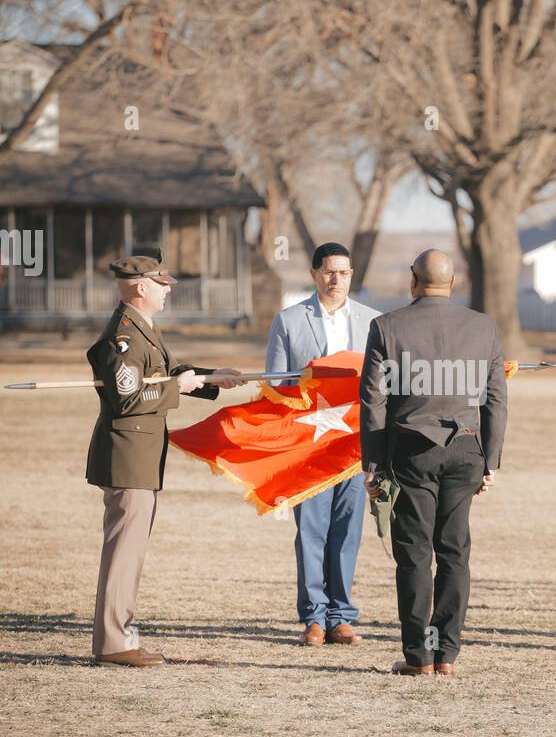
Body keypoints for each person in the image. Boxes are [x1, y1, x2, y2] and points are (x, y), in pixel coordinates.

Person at [86, 251, 239, 667]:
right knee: (123, 553)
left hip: (141, 455)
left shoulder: (143, 328)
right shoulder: (125, 336)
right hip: (128, 455)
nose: (168, 289)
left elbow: (167, 372)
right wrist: (179, 387)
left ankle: (119, 636)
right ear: (140, 287)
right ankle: (114, 643)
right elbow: (128, 398)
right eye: (161, 283)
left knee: (130, 551)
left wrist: (209, 377)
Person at [359, 249, 508, 677]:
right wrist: (491, 460)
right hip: (465, 448)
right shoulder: (482, 327)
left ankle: (419, 657)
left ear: (413, 282)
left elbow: (374, 401)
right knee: (455, 551)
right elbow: (495, 397)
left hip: (411, 449)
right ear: (452, 283)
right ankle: (447, 656)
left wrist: (373, 463)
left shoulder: (386, 327)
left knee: (414, 554)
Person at [265, 242, 380, 645]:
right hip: (308, 444)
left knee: (347, 531)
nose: (337, 280)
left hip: (355, 446)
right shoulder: (289, 321)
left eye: (344, 272)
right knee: (311, 531)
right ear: (314, 275)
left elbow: (385, 387)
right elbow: (275, 388)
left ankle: (341, 615)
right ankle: (314, 617)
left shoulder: (374, 322)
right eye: (330, 272)